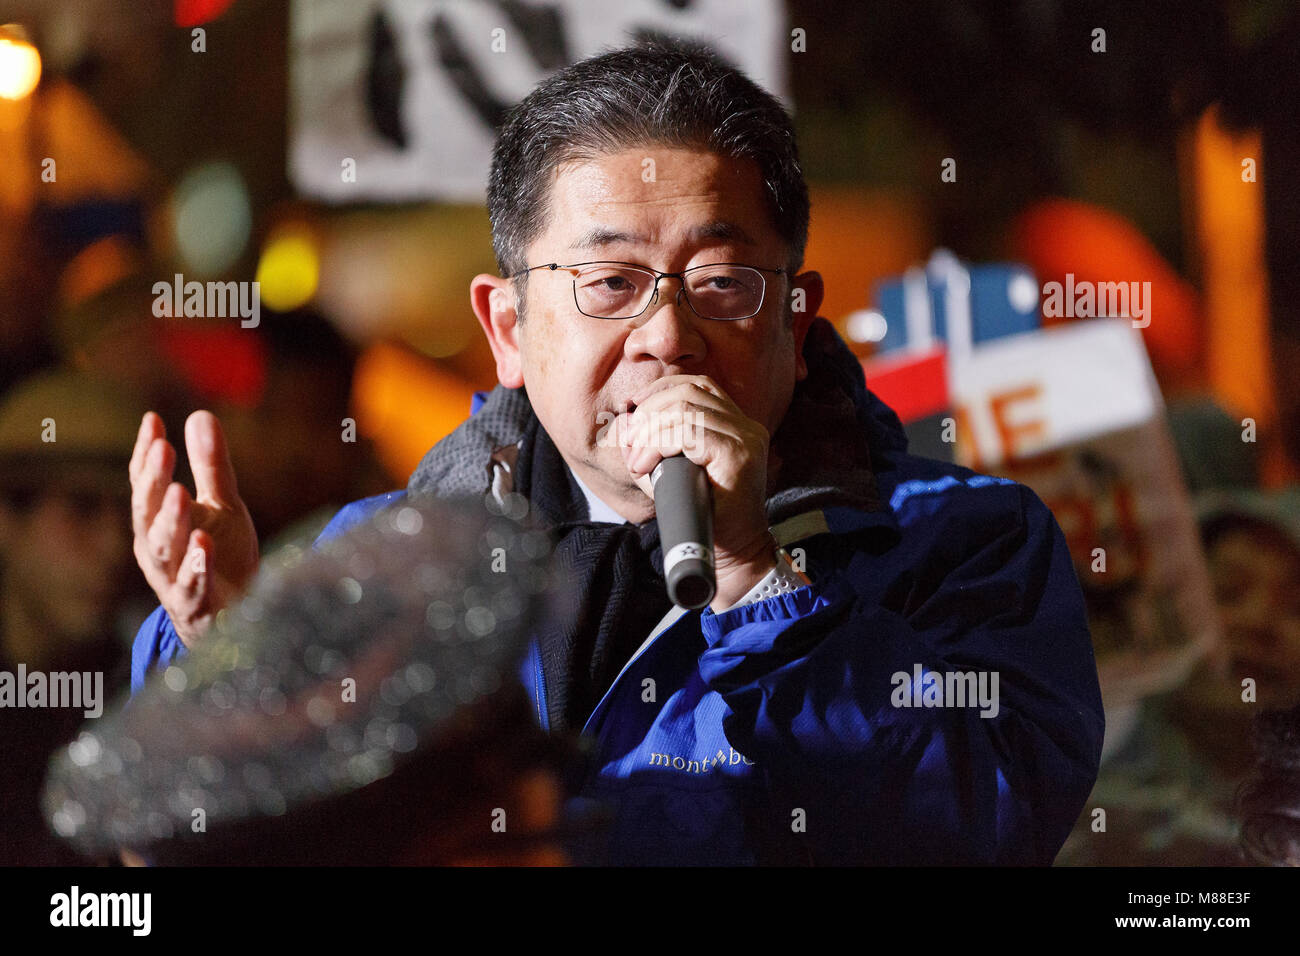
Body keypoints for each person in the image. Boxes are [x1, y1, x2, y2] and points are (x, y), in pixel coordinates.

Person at [127, 39, 1104, 865]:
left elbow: (992, 828)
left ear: (796, 324)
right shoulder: (371, 571)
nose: (668, 334)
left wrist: (755, 579)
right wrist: (230, 680)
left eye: (721, 280)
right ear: (508, 326)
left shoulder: (965, 542)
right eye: (608, 280)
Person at [0, 370, 142, 864]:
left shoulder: (146, 692)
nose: (116, 547)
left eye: (130, 514)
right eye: (81, 508)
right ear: (6, 517)